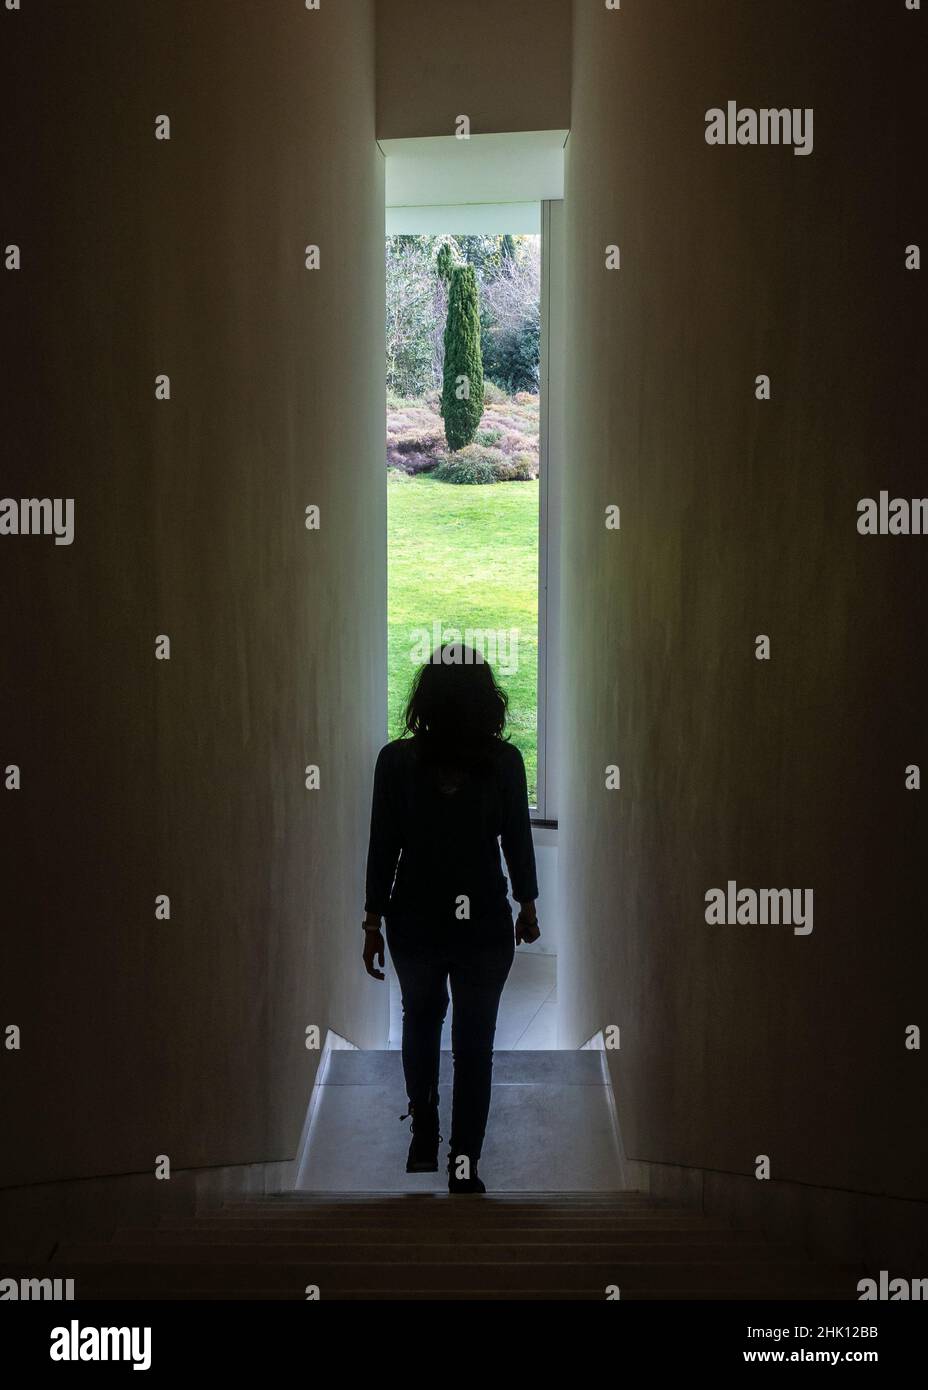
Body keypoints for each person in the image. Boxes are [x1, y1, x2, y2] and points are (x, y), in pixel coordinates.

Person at [362, 643, 540, 1194]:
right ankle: (465, 1164)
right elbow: (516, 838)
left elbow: (383, 846)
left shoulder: (395, 761)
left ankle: (423, 1129)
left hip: (413, 918)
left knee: (419, 1020)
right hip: (483, 919)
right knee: (474, 1045)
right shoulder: (503, 763)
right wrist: (528, 904)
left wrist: (371, 921)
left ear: (426, 698)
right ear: (487, 698)